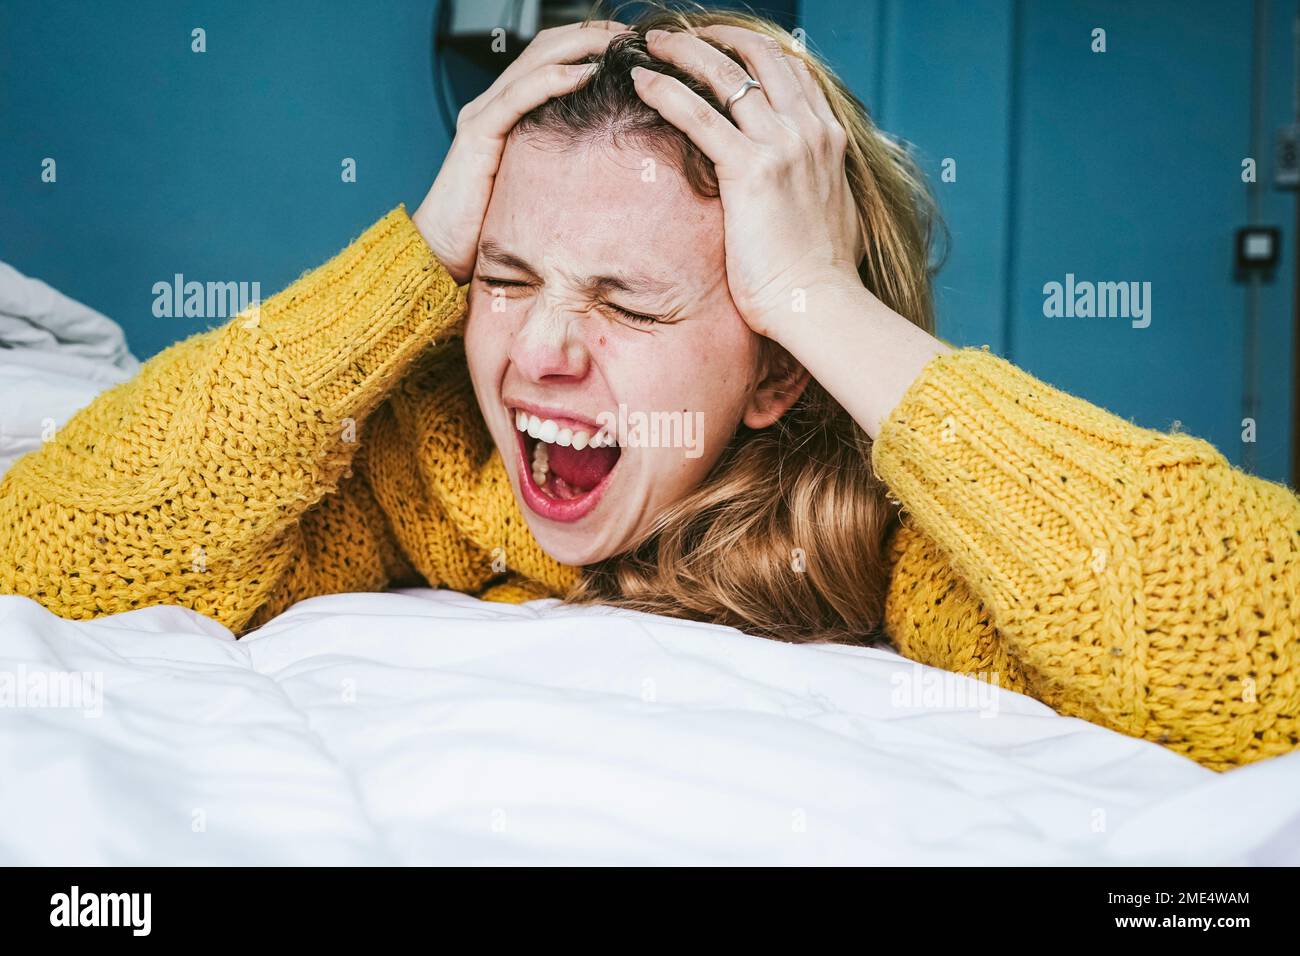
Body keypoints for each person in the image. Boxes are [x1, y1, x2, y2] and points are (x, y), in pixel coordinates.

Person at [2, 10, 1297, 772]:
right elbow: (42, 557)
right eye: (505, 277)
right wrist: (418, 256)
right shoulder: (418, 479)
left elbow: (1265, 659)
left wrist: (821, 302)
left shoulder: (878, 548)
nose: (540, 354)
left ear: (779, 372)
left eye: (629, 303)